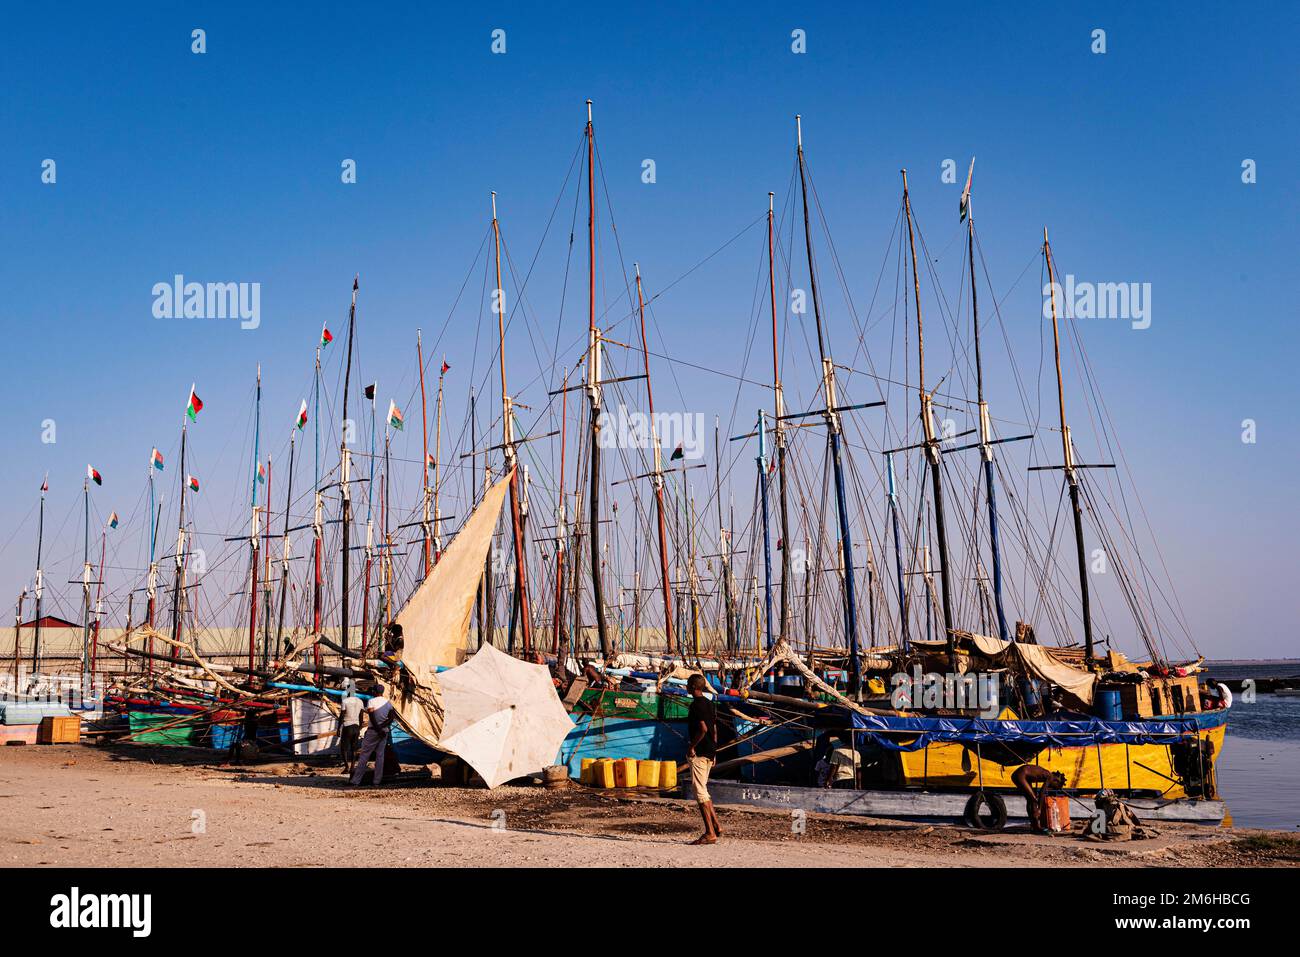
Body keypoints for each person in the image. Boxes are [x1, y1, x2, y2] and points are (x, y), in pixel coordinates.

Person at [686, 673, 721, 845]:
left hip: (699, 753)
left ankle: (710, 833)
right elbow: (714, 729)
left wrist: (691, 746)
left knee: (699, 793)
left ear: (692, 687)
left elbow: (704, 728)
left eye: (687, 684)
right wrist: (714, 750)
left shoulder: (695, 706)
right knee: (704, 790)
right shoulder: (709, 703)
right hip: (710, 752)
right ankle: (716, 825)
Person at [350, 687, 396, 787]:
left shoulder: (371, 701)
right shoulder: (388, 703)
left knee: (364, 755)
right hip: (384, 731)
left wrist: (377, 729)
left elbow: (371, 716)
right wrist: (382, 728)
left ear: (374, 692)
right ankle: (376, 782)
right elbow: (391, 718)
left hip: (373, 731)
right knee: (380, 757)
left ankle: (356, 781)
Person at [1011, 764, 1065, 832]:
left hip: (1021, 775)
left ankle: (1034, 825)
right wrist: (1039, 809)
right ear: (1056, 781)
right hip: (1020, 775)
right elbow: (1042, 793)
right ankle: (1036, 826)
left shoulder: (1046, 773)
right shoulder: (1050, 776)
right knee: (1033, 799)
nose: (1051, 787)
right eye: (1054, 786)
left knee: (1030, 800)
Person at [338, 690, 364, 775]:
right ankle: (352, 767)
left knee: (344, 748)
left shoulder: (345, 701)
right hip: (356, 726)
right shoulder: (360, 701)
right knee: (354, 748)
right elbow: (361, 716)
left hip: (347, 726)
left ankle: (346, 767)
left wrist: (338, 728)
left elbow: (342, 716)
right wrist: (359, 727)